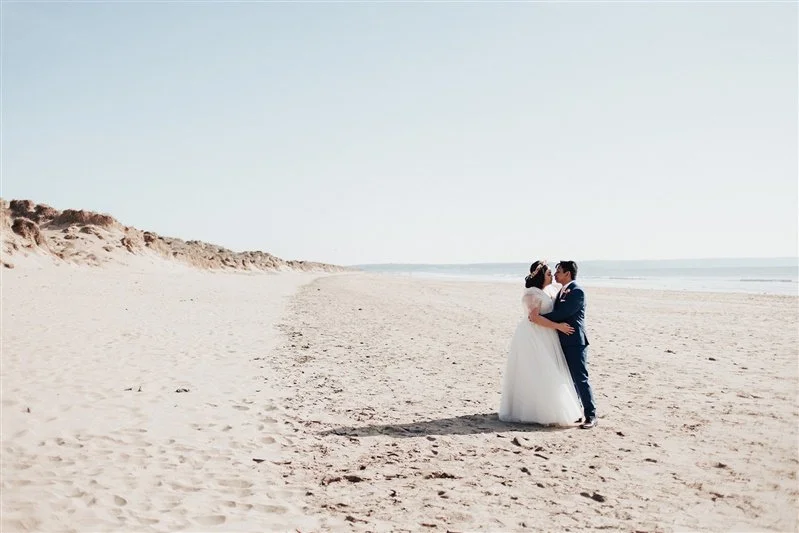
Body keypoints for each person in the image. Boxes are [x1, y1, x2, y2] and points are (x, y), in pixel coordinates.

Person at [498, 261, 583, 425]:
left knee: (546, 368)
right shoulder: (533, 294)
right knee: (539, 369)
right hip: (534, 334)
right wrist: (558, 326)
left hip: (545, 334)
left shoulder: (547, 291)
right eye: (549, 273)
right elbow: (534, 318)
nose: (552, 275)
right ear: (540, 276)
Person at [534, 260, 597, 429]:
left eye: (558, 271)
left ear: (567, 273)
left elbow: (562, 313)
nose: (555, 275)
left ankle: (591, 415)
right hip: (562, 340)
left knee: (580, 379)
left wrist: (539, 318)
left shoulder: (577, 292)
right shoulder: (561, 291)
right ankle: (577, 412)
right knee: (569, 380)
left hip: (575, 341)